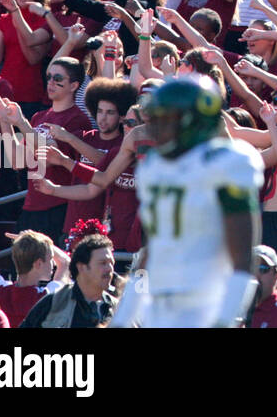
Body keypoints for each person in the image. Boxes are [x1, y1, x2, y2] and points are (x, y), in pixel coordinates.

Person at [110, 75, 263, 329]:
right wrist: (124, 316)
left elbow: (242, 256)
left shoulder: (227, 162)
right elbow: (156, 247)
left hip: (205, 302)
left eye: (165, 119)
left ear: (192, 120)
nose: (155, 127)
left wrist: (225, 319)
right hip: (159, 301)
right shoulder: (156, 167)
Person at [20, 233, 116, 328]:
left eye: (112, 263)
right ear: (82, 267)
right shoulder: (54, 303)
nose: (110, 269)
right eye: (103, 263)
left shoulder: (118, 309)